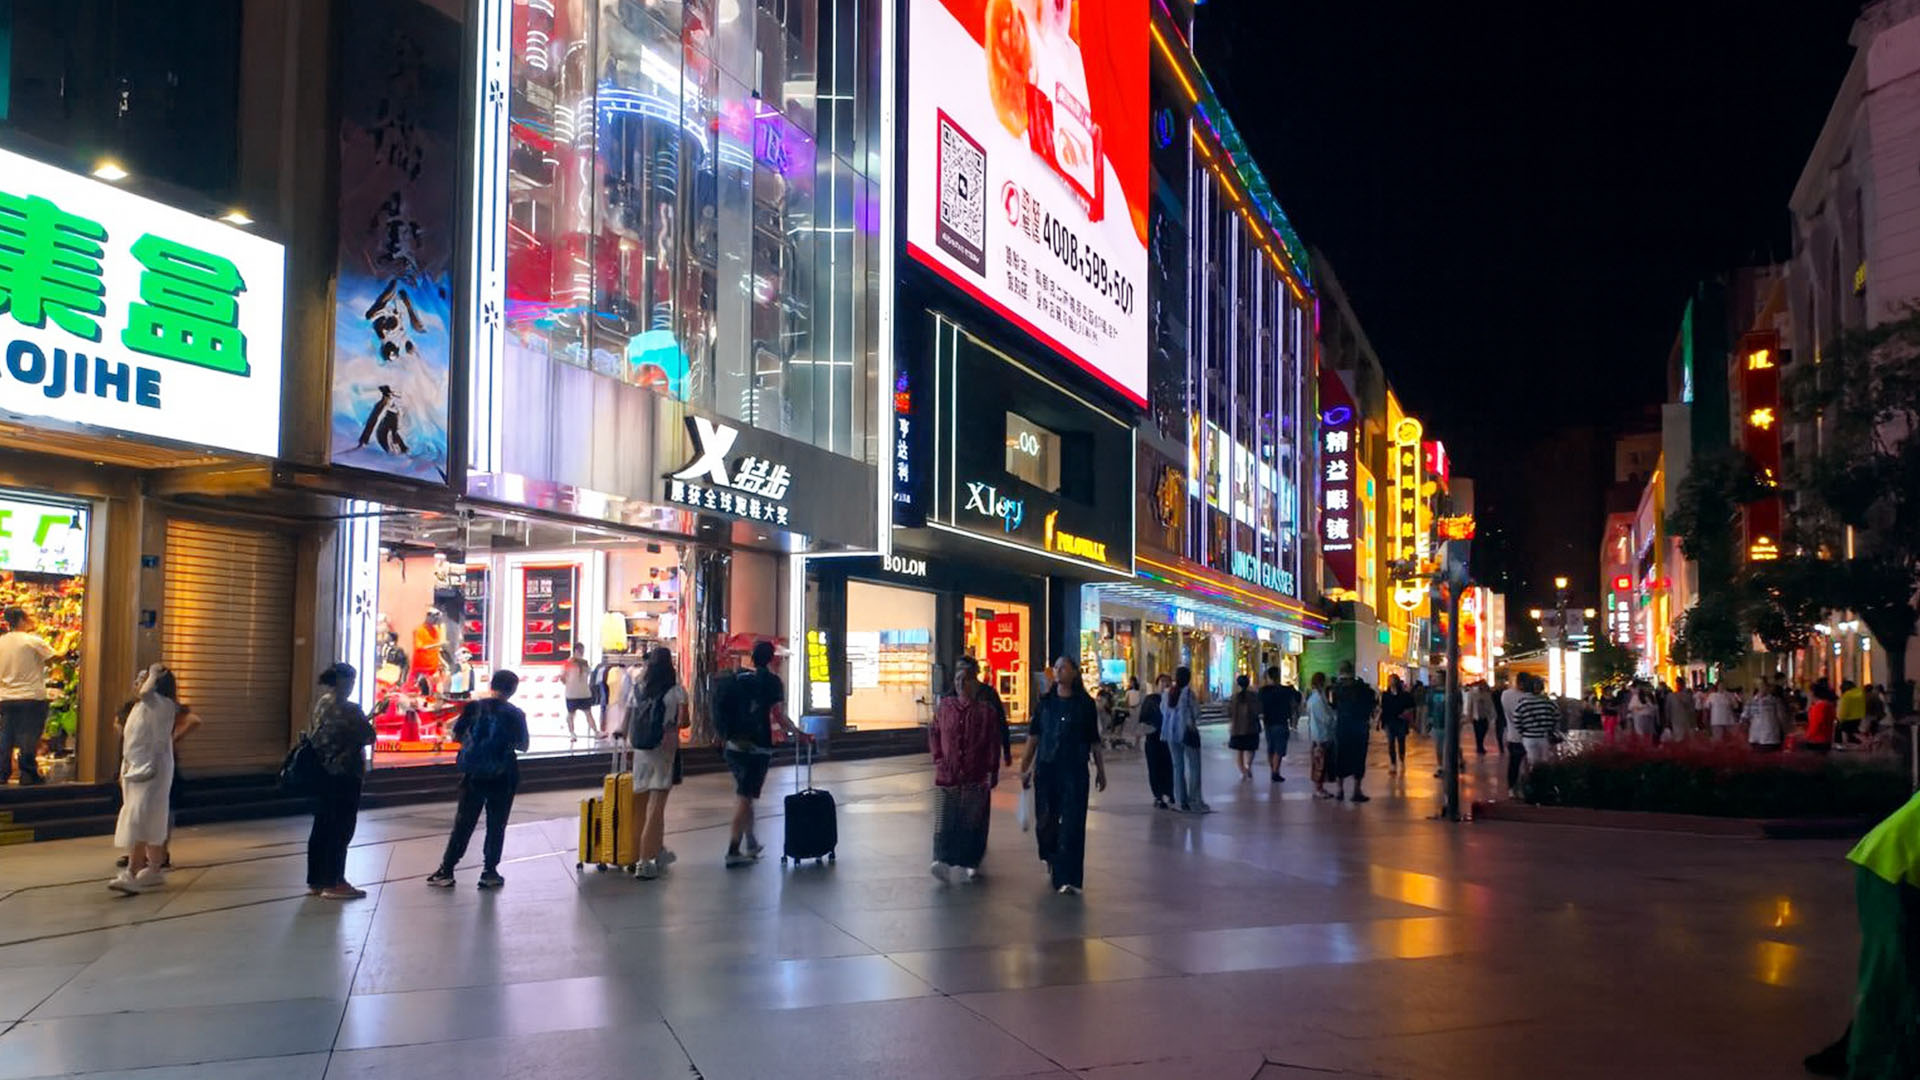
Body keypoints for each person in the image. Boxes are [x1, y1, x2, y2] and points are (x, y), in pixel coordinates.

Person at [1801, 791, 1920, 1078]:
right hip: (1889, 869)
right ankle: (1869, 1068)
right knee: (1889, 977)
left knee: (1904, 975)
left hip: (1904, 867)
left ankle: (1851, 1053)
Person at [426, 670, 530, 890]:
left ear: (492, 684)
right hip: (504, 774)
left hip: (473, 774)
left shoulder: (474, 708)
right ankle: (489, 872)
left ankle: (447, 869)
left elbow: (456, 735)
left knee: (463, 823)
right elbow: (523, 745)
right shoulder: (515, 714)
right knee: (496, 824)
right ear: (513, 690)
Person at [1019, 656, 1106, 895]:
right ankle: (1050, 856)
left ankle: (1069, 878)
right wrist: (1024, 766)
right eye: (1056, 668)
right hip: (1047, 770)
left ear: (1074, 673)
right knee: (1045, 823)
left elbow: (1094, 741)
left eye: (1063, 667)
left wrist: (1100, 770)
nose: (1058, 671)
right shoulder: (1045, 703)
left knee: (1072, 825)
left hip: (1075, 771)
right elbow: (1034, 736)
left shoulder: (1085, 705)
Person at [723, 640, 806, 867]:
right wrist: (798, 733)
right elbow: (778, 715)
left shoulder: (739, 677)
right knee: (744, 796)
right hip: (757, 747)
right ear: (772, 658)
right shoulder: (771, 682)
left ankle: (750, 842)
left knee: (746, 795)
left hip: (733, 746)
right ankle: (733, 848)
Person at [109, 665, 188, 894]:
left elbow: (145, 694)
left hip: (151, 769)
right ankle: (153, 868)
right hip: (136, 768)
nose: (138, 684)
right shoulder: (142, 707)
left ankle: (132, 871)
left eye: (143, 679)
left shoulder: (161, 705)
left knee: (140, 818)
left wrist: (153, 672)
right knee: (149, 816)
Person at [306, 663, 375, 900]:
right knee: (341, 828)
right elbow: (368, 736)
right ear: (344, 682)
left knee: (322, 827)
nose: (353, 685)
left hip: (321, 773)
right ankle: (335, 881)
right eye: (352, 680)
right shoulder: (349, 709)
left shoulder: (322, 703)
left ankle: (316, 879)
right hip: (345, 774)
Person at [929, 655, 1001, 883]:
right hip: (947, 773)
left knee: (972, 818)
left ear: (974, 682)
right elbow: (934, 734)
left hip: (975, 773)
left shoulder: (986, 710)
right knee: (945, 817)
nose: (961, 683)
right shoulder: (945, 707)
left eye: (966, 679)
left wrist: (993, 768)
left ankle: (970, 859)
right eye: (958, 678)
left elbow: (993, 740)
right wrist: (938, 758)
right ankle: (941, 859)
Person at [626, 648, 689, 880]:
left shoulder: (638, 688)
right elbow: (684, 721)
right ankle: (644, 861)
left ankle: (654, 851)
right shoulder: (676, 691)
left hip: (640, 751)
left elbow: (628, 718)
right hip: (663, 752)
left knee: (642, 808)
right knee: (656, 808)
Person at [0, 606, 56, 785]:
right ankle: (28, 774)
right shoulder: (31, 641)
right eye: (29, 616)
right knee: (28, 737)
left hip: (6, 697)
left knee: (6, 735)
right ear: (22, 619)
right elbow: (54, 657)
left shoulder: (1, 642)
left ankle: (2, 773)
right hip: (31, 697)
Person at [1160, 666, 1209, 813]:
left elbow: (1163, 710)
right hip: (1187, 733)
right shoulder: (1188, 694)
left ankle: (1181, 801)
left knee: (1177, 767)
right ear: (1188, 678)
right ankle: (1195, 800)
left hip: (1170, 733)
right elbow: (1197, 712)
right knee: (1194, 767)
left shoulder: (1167, 693)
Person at [1330, 661, 1377, 802]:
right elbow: (1372, 703)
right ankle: (1357, 790)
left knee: (1340, 758)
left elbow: (1333, 706)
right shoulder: (1364, 689)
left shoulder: (1335, 689)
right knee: (1359, 758)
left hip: (1342, 727)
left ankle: (1340, 790)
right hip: (1360, 728)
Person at [1259, 666, 1300, 783]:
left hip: (1268, 722)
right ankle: (1275, 772)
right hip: (1281, 722)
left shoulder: (1263, 691)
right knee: (1279, 748)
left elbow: (1259, 705)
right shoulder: (1286, 690)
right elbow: (1298, 697)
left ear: (1268, 677)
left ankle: (1273, 770)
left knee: (1271, 747)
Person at [1512, 673, 1562, 771]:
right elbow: (1557, 717)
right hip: (1544, 737)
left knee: (1533, 762)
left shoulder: (1523, 703)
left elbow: (1517, 720)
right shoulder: (1549, 703)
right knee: (1545, 762)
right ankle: (1544, 781)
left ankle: (1534, 780)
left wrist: (1524, 731)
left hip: (1529, 737)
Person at [1139, 674, 1174, 809]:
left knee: (1168, 767)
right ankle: (1158, 795)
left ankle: (1169, 792)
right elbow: (1143, 718)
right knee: (1154, 767)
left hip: (1166, 739)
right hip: (1153, 738)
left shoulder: (1172, 699)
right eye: (1162, 681)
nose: (1164, 684)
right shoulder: (1150, 699)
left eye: (1167, 682)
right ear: (1157, 684)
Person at [1305, 671, 1336, 799]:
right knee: (1320, 763)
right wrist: (1334, 718)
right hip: (1321, 735)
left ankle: (1320, 787)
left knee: (1320, 762)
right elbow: (1325, 717)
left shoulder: (1315, 697)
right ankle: (1319, 788)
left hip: (1318, 733)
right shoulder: (1318, 699)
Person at [1227, 674, 1261, 780]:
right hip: (1251, 727)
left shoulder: (1234, 698)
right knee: (1251, 749)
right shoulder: (1253, 696)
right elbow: (1258, 709)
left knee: (1240, 750)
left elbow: (1229, 711)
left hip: (1238, 728)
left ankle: (1243, 771)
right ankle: (1248, 766)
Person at [1378, 674, 1414, 775]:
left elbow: (1411, 706)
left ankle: (1401, 760)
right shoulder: (1385, 695)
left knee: (1401, 742)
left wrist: (1406, 714)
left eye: (1392, 680)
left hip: (1400, 721)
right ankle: (1393, 763)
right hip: (1389, 721)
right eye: (1389, 680)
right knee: (1391, 743)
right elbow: (1383, 708)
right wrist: (1380, 721)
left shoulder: (1404, 695)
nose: (1391, 682)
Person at [1499, 676, 1527, 796]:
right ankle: (1523, 788)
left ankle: (1512, 788)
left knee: (1513, 763)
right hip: (1527, 735)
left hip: (1512, 734)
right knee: (1526, 764)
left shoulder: (1505, 694)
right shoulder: (1527, 697)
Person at [561, 643, 594, 740]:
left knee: (588, 713)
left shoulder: (584, 663)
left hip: (583, 693)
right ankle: (572, 733)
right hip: (573, 694)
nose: (582, 653)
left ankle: (596, 731)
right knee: (571, 714)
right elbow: (562, 677)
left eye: (582, 651)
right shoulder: (568, 663)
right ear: (575, 651)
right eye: (580, 651)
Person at [1745, 679, 1786, 751]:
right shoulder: (1751, 701)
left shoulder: (1774, 701)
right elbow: (1746, 715)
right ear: (1757, 687)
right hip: (1755, 737)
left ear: (1767, 687)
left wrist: (1783, 730)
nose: (1762, 688)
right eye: (1759, 685)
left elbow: (1781, 717)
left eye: (1763, 685)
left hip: (1771, 738)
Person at [1804, 678, 1837, 753]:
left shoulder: (1818, 707)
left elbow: (1815, 725)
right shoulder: (1828, 705)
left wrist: (1807, 736)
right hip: (1826, 739)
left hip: (1816, 740)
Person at [1465, 680, 1494, 755]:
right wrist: (1469, 715)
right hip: (1476, 716)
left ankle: (1480, 745)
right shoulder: (1473, 693)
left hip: (1485, 716)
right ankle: (1479, 746)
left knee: (1484, 730)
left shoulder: (1487, 694)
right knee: (1478, 733)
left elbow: (1490, 705)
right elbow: (1470, 704)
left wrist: (1491, 715)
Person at [1837, 680, 1866, 746]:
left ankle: (1842, 744)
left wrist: (1840, 718)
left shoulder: (1847, 695)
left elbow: (1844, 709)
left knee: (1842, 730)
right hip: (1859, 716)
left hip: (1848, 718)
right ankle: (1859, 742)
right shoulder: (1861, 692)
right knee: (1852, 732)